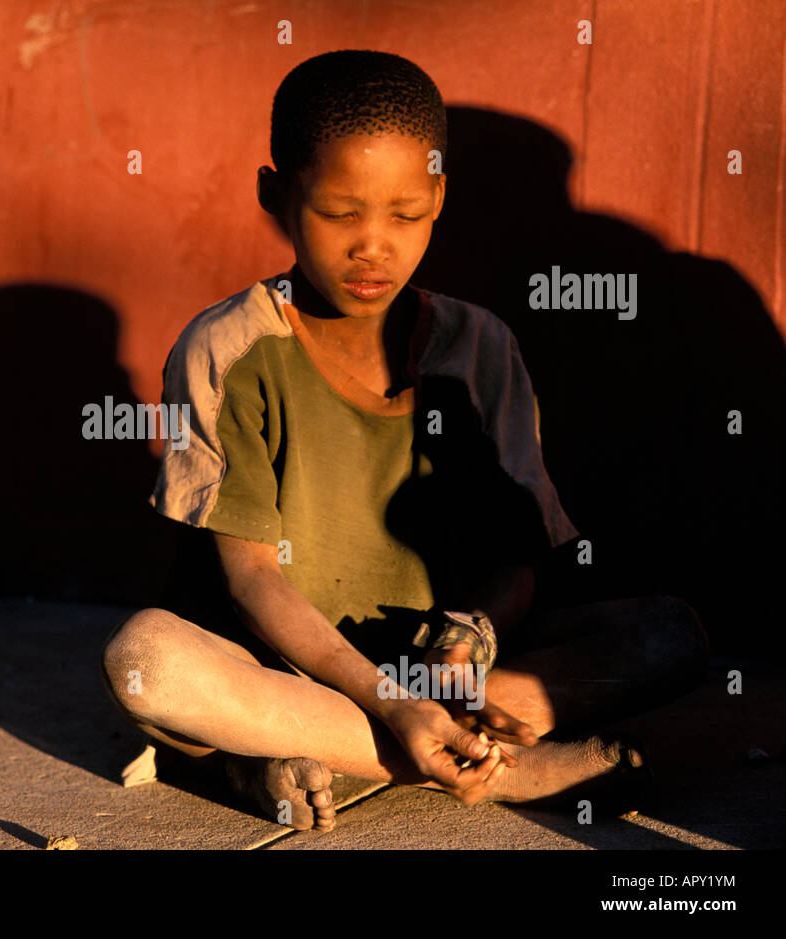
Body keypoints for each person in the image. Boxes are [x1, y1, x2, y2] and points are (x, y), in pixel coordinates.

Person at [100, 50, 709, 832]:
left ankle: (302, 758)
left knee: (669, 636)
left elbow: (520, 556)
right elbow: (251, 580)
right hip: (290, 662)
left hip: (444, 667)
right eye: (338, 212)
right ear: (276, 197)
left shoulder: (480, 347)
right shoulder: (228, 349)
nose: (372, 247)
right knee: (146, 660)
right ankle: (493, 766)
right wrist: (390, 700)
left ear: (439, 200)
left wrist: (472, 637)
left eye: (405, 214)